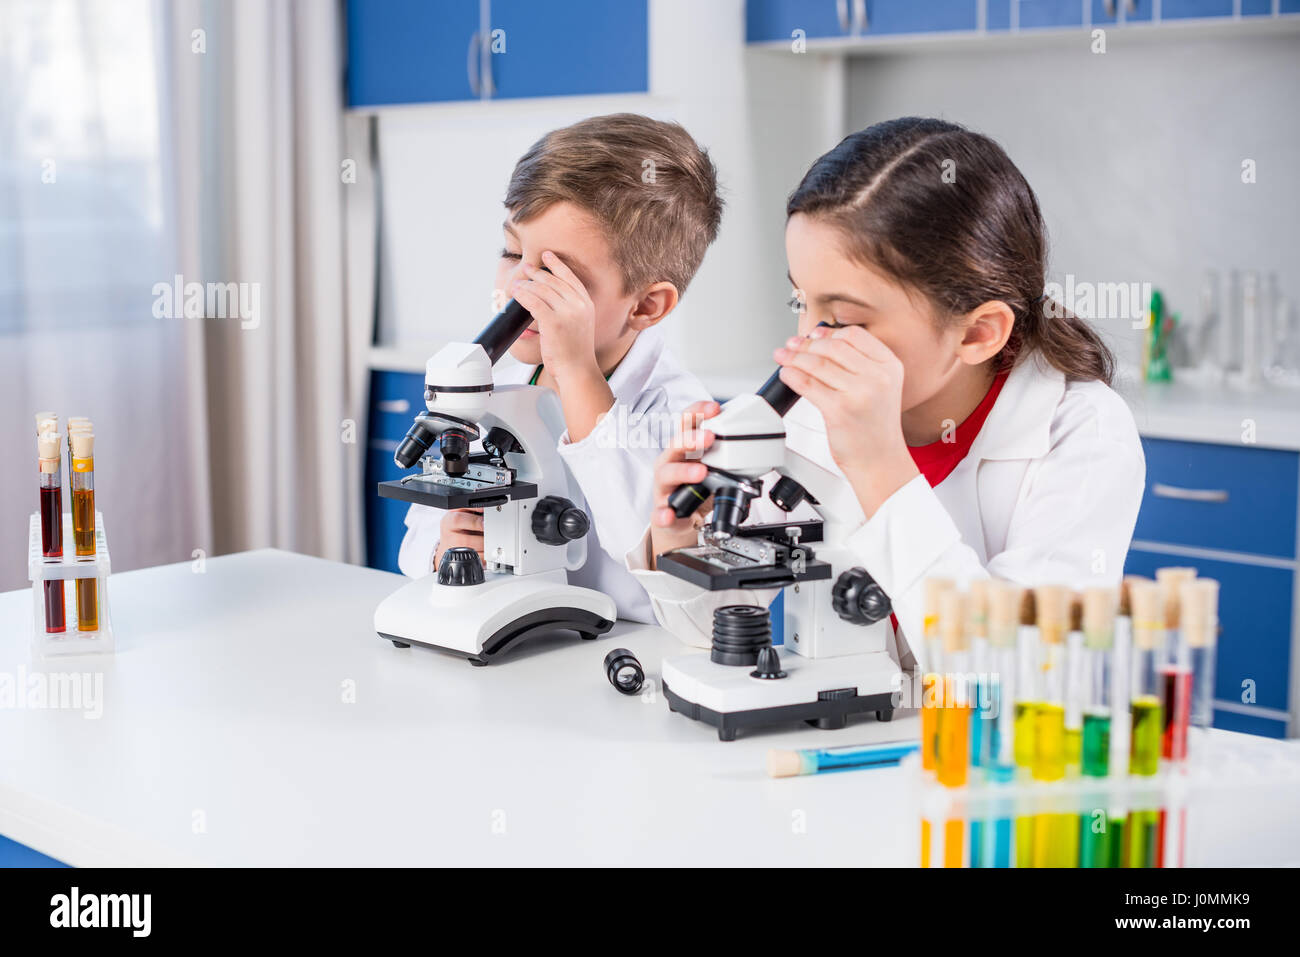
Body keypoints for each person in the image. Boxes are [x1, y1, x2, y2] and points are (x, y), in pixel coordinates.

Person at [630, 117, 1145, 672]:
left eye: (842, 319)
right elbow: (707, 630)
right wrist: (680, 535)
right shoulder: (806, 417)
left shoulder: (1083, 436)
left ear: (977, 332)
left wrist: (879, 466)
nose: (807, 343)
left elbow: (1010, 680)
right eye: (801, 302)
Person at [399, 113, 723, 624]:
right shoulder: (497, 380)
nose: (518, 292)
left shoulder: (680, 417)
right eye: (512, 252)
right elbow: (417, 539)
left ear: (645, 306)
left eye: (557, 276)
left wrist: (575, 372)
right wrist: (445, 550)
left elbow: (668, 588)